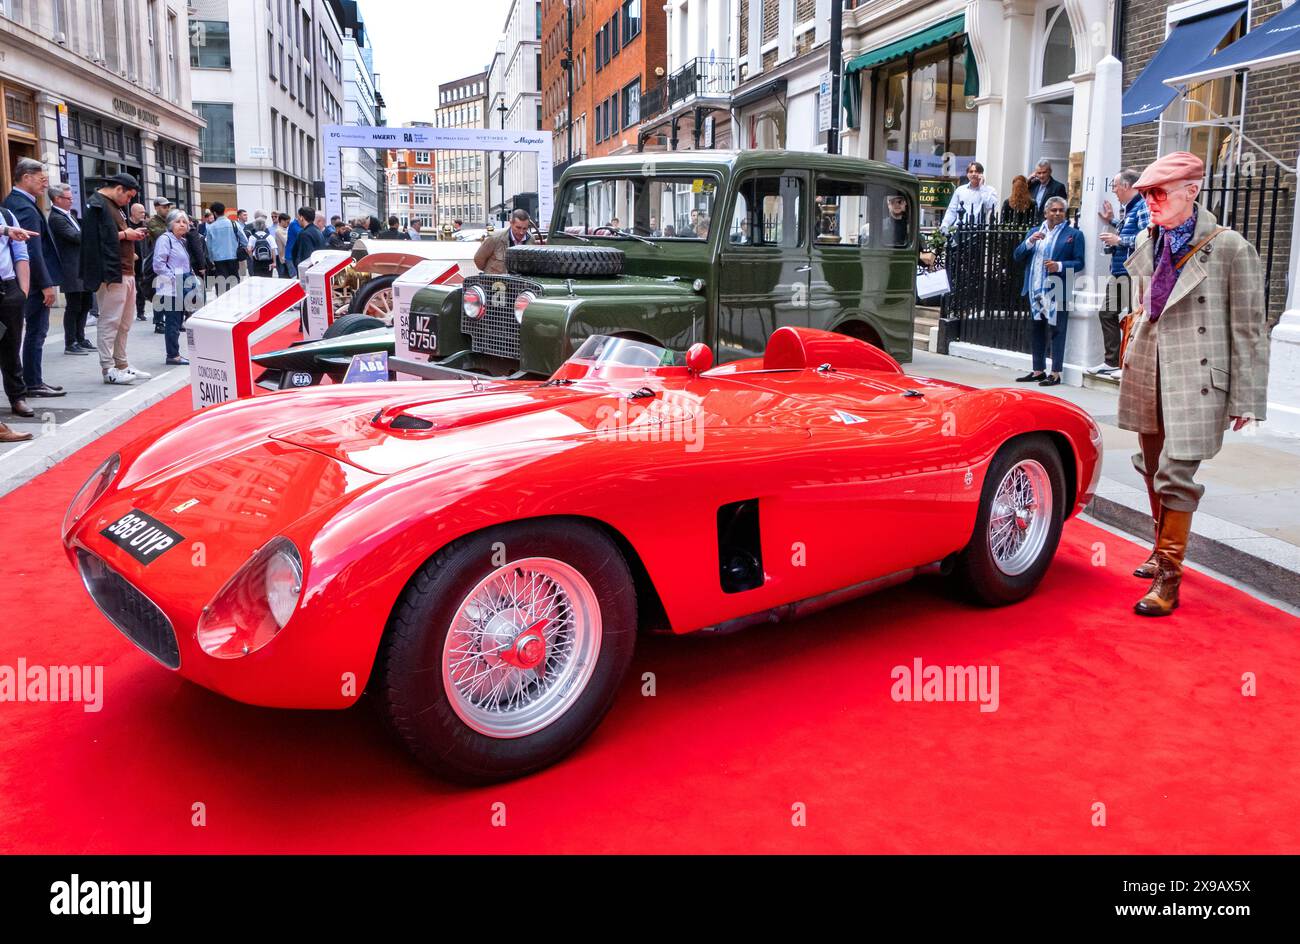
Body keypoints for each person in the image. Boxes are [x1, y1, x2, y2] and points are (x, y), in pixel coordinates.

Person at [1118, 151, 1272, 617]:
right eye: (1146, 194)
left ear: (1194, 190)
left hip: (1197, 376)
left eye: (1161, 192)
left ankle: (1169, 574)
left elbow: (1249, 327)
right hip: (1150, 364)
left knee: (1175, 474)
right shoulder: (1154, 238)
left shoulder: (1230, 248)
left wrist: (1245, 396)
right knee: (1149, 464)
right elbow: (1145, 303)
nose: (1151, 202)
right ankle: (1156, 546)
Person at [4, 157, 65, 400]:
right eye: (41, 179)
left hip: (29, 283)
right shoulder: (21, 206)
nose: (45, 185)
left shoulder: (24, 203)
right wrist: (46, 285)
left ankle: (33, 380)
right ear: (26, 177)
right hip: (33, 284)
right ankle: (31, 382)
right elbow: (31, 250)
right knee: (35, 332)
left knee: (34, 332)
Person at [81, 173, 150, 385]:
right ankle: (108, 368)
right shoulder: (96, 205)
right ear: (119, 189)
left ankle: (121, 363)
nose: (129, 201)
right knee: (110, 320)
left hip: (125, 270)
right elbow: (92, 238)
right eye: (129, 196)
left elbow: (111, 234)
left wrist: (129, 234)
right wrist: (126, 235)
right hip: (112, 272)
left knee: (124, 322)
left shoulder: (111, 205)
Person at [1012, 196, 1084, 387]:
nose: (1058, 213)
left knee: (1057, 330)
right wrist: (1029, 242)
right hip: (1035, 288)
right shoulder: (1035, 232)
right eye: (1054, 210)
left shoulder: (1074, 235)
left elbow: (1079, 262)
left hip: (1057, 289)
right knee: (1037, 329)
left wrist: (1059, 266)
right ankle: (1038, 370)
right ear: (1045, 212)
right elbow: (1017, 255)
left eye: (1061, 210)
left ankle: (1055, 373)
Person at [1092, 168, 1150, 377]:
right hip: (1119, 270)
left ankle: (1124, 364)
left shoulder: (1142, 206)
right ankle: (1112, 362)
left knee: (1130, 316)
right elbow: (1134, 229)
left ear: (1126, 186)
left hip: (1130, 272)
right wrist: (1113, 222)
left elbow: (1149, 239)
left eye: (1115, 186)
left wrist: (1119, 240)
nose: (1114, 190)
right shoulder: (1131, 208)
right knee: (1108, 313)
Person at [47, 184, 95, 356]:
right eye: (68, 198)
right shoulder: (56, 218)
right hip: (70, 268)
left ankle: (80, 337)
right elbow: (75, 237)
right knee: (74, 305)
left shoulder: (70, 215)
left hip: (81, 266)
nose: (71, 201)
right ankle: (70, 342)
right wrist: (93, 231)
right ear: (57, 199)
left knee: (85, 303)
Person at [1, 204, 36, 435]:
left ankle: (17, 397)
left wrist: (23, 290)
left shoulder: (6, 213)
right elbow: (9, 233)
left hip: (8, 288)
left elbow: (21, 253)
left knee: (11, 345)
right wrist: (5, 231)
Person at [151, 209, 195, 366]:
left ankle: (174, 353)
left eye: (184, 222)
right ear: (170, 224)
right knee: (173, 322)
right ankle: (173, 355)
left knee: (177, 321)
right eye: (178, 221)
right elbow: (158, 264)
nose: (182, 224)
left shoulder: (181, 241)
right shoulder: (165, 239)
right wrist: (174, 279)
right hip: (171, 286)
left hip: (182, 283)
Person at [940, 161, 999, 232]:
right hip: (960, 228)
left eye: (976, 171)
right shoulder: (960, 190)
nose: (973, 174)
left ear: (981, 174)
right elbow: (952, 210)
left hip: (978, 230)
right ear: (967, 174)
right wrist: (945, 225)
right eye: (971, 171)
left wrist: (982, 187)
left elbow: (990, 205)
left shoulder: (990, 190)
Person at [474, 208, 532, 274]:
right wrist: (490, 273)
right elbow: (479, 259)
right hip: (495, 282)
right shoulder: (495, 237)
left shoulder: (531, 239)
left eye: (525, 228)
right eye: (518, 228)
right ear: (511, 223)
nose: (521, 232)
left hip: (519, 282)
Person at [204, 202, 241, 293]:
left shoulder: (211, 228)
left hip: (218, 261)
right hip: (233, 258)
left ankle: (223, 303)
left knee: (222, 286)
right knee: (235, 285)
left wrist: (212, 260)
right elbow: (244, 241)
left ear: (215, 213)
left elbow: (209, 246)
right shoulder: (234, 224)